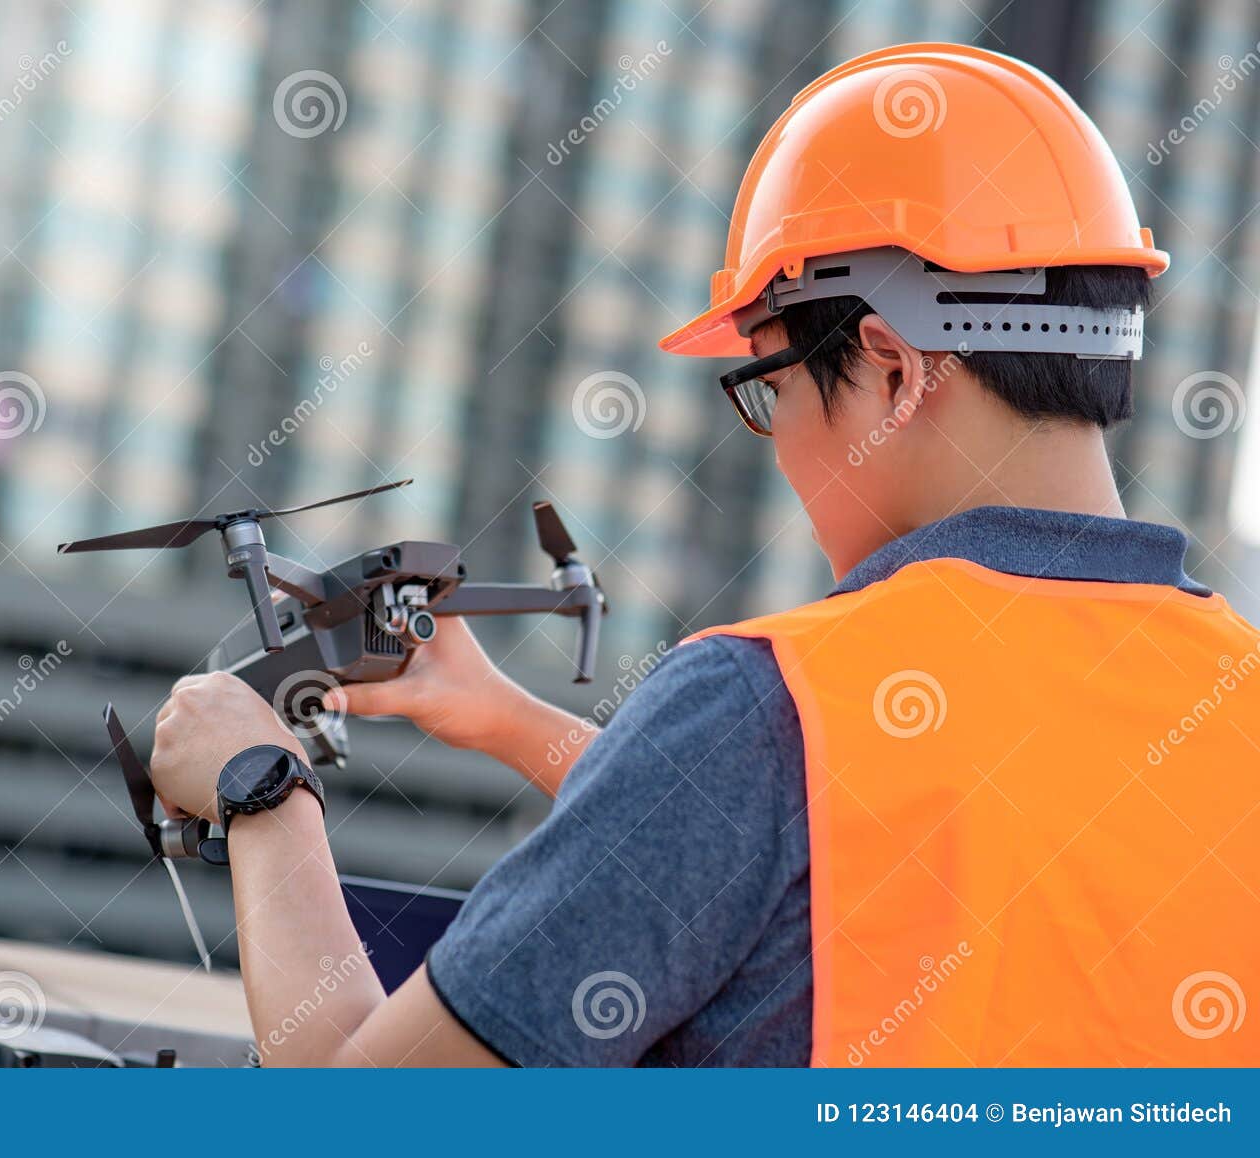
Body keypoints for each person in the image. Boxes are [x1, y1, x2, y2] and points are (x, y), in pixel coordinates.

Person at [147, 42, 1260, 1066]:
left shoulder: (768, 702)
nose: (779, 451)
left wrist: (260, 792)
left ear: (889, 370)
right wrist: (508, 722)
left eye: (768, 390)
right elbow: (858, 867)